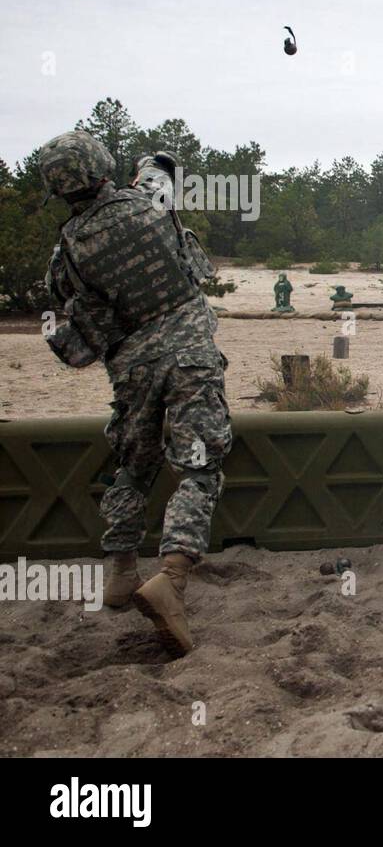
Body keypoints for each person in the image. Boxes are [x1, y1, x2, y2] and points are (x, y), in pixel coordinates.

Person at [39, 133, 230, 656]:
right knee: (198, 466)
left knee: (134, 460)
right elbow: (164, 167)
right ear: (102, 167)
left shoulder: (68, 246)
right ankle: (171, 577)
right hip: (188, 350)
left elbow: (62, 299)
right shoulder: (147, 199)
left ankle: (122, 569)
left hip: (131, 366)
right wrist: (150, 167)